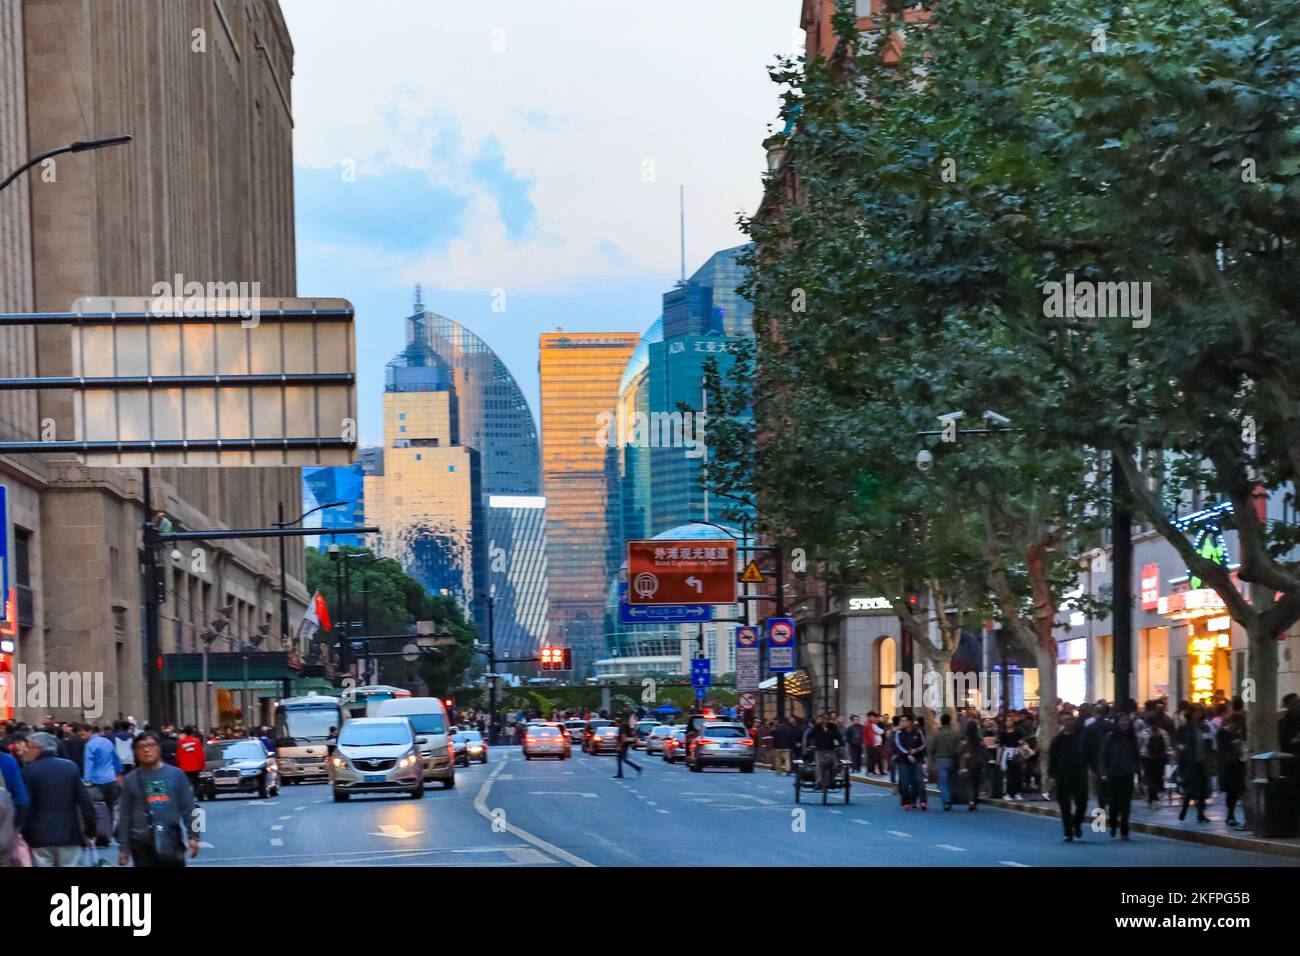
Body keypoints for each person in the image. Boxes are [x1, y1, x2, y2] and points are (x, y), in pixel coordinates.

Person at [116, 732, 200, 867]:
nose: (146, 750)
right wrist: (124, 848)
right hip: (141, 843)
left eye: (150, 745)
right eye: (141, 747)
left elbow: (191, 808)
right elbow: (124, 815)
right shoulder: (130, 779)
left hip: (170, 839)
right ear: (136, 752)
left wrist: (194, 836)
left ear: (159, 748)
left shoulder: (176, 775)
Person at [20, 732, 95, 867]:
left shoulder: (29, 771)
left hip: (39, 836)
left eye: (29, 747)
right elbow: (85, 802)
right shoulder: (70, 767)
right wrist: (90, 830)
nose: (27, 751)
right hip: (69, 834)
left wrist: (24, 832)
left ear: (38, 749)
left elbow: (26, 805)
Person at [1048, 715, 1088, 842]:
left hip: (1079, 774)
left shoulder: (1081, 737)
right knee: (1064, 805)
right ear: (1061, 723)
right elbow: (1052, 759)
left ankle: (1077, 823)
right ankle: (1067, 830)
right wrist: (1052, 776)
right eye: (1065, 720)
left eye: (1070, 720)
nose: (1068, 723)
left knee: (1082, 803)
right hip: (1062, 776)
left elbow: (1089, 752)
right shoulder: (1057, 740)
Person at [1100, 712, 1140, 840]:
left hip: (1127, 774)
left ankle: (1124, 830)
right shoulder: (1110, 737)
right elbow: (1103, 756)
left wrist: (1138, 774)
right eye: (1122, 720)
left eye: (1127, 720)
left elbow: (1136, 757)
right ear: (1117, 722)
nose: (1125, 723)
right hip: (1113, 774)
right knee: (1113, 803)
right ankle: (1112, 824)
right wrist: (1103, 772)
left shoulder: (1132, 738)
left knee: (1126, 803)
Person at [1175, 704, 1213, 822]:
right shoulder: (1184, 728)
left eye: (1200, 711)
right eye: (1196, 711)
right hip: (1190, 762)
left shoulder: (1205, 727)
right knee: (1190, 788)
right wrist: (1183, 750)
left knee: (1202, 788)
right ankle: (1185, 808)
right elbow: (1178, 743)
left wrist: (1210, 759)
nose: (1198, 713)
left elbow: (1209, 743)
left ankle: (1201, 813)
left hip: (1202, 761)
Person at [1217, 710, 1248, 828]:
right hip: (1228, 766)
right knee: (1231, 791)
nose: (1239, 727)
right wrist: (1234, 744)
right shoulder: (1222, 732)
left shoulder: (1239, 733)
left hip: (1238, 764)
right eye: (1238, 724)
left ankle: (1232, 815)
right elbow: (1222, 749)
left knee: (1236, 791)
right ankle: (1230, 815)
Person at [1081, 703, 1113, 812]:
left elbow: (1085, 746)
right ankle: (1109, 801)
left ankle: (1102, 804)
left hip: (1095, 760)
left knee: (1100, 784)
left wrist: (1086, 762)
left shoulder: (1090, 728)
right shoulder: (1111, 726)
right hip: (1110, 759)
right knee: (1109, 782)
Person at [893, 714, 927, 810]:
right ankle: (906, 802)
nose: (902, 723)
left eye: (904, 721)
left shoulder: (918, 731)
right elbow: (898, 745)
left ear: (910, 722)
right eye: (901, 721)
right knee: (904, 783)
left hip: (917, 759)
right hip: (904, 760)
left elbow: (924, 743)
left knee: (919, 781)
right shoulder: (899, 733)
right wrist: (908, 754)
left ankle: (923, 801)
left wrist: (916, 750)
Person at [931, 713, 962, 810]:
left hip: (942, 760)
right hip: (953, 759)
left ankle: (946, 801)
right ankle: (954, 798)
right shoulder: (956, 733)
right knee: (952, 780)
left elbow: (933, 748)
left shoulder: (938, 734)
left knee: (943, 782)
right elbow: (960, 748)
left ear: (942, 722)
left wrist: (933, 758)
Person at [806, 712, 845, 791]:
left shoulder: (833, 726)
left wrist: (841, 744)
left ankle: (831, 781)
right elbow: (809, 736)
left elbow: (838, 736)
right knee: (818, 766)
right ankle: (818, 783)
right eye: (824, 719)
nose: (826, 721)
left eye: (827, 719)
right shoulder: (817, 727)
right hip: (819, 750)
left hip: (831, 750)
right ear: (822, 719)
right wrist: (808, 746)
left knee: (835, 766)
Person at [1143, 716, 1171, 809]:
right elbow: (1167, 746)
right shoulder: (1163, 733)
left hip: (1149, 759)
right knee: (1157, 778)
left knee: (1151, 779)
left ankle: (1152, 798)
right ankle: (1154, 797)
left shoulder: (1145, 733)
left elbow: (1142, 747)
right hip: (1160, 759)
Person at [959, 719, 985, 810]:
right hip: (979, 760)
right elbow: (983, 748)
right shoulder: (979, 738)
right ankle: (975, 799)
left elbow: (962, 750)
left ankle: (971, 801)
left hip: (970, 760)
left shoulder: (966, 738)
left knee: (970, 781)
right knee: (977, 781)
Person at [176, 726, 206, 797]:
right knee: (196, 782)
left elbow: (178, 755)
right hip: (195, 766)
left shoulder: (181, 742)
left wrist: (178, 764)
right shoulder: (197, 741)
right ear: (192, 732)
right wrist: (202, 765)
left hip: (184, 766)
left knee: (186, 782)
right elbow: (200, 755)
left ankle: (187, 796)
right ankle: (197, 795)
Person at [613, 710, 642, 779]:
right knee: (623, 759)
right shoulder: (624, 726)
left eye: (615, 723)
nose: (615, 724)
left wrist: (619, 746)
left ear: (617, 722)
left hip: (623, 745)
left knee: (620, 759)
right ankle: (637, 768)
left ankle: (621, 773)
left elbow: (623, 737)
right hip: (625, 745)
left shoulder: (622, 727)